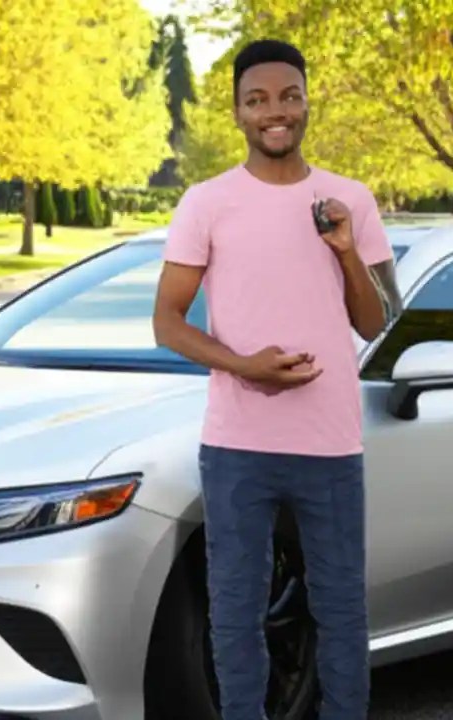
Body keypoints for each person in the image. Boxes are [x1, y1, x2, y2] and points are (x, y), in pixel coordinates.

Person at [152, 38, 403, 720]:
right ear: (236, 112)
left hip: (330, 445)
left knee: (342, 611)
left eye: (289, 96)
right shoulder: (207, 203)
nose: (275, 112)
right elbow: (167, 324)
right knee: (235, 615)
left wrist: (347, 251)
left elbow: (376, 317)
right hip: (237, 446)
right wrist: (244, 365)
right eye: (257, 99)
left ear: (306, 101)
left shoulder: (348, 199)